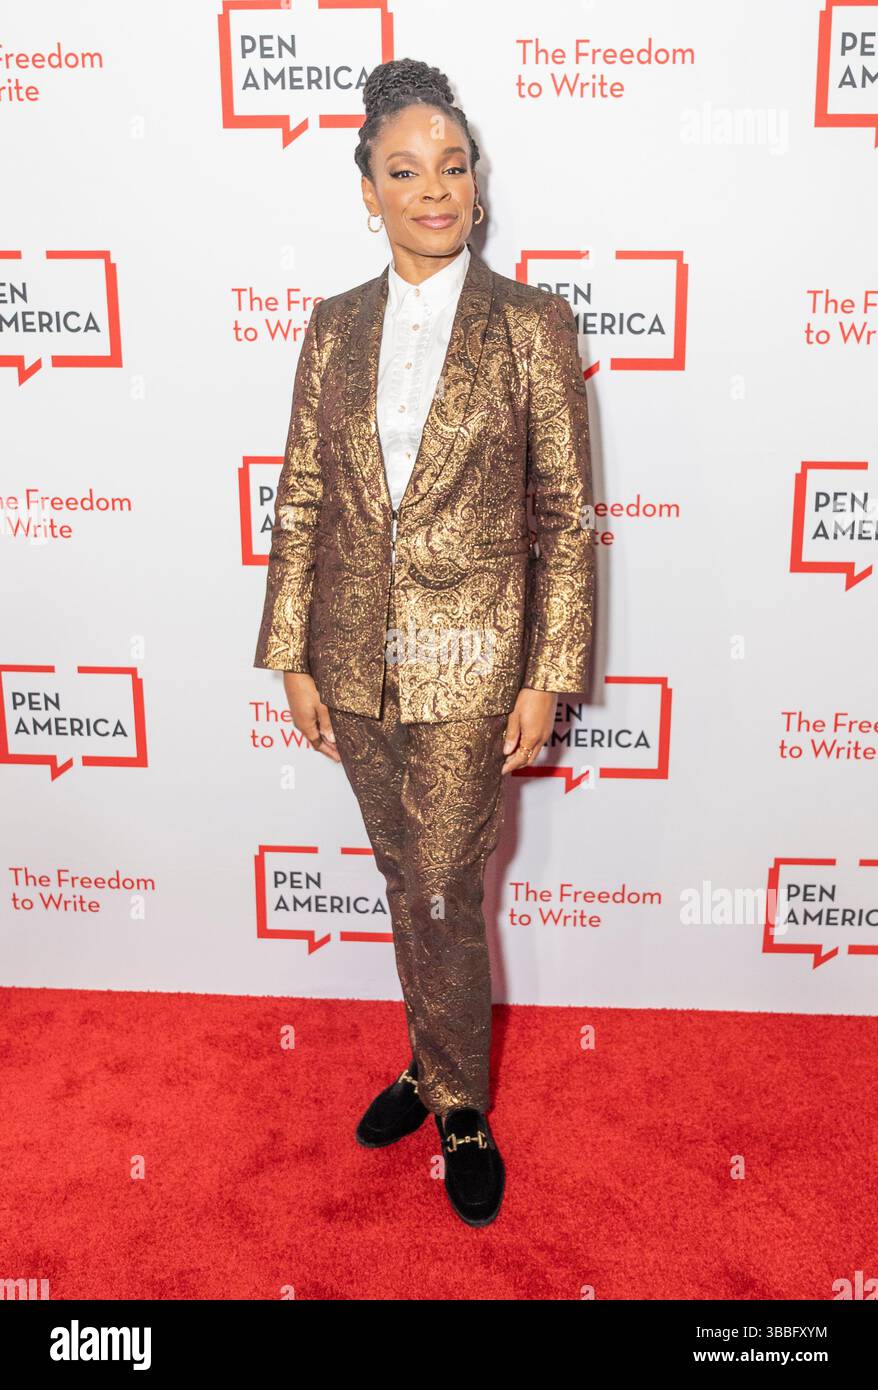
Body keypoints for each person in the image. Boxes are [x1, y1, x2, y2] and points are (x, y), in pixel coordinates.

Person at [253, 58, 595, 1227]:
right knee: (405, 877)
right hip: (351, 660)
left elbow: (559, 511)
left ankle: (456, 1103)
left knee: (446, 883)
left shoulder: (531, 326)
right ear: (368, 189)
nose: (434, 189)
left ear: (477, 186)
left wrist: (547, 674)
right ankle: (425, 1056)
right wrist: (291, 648)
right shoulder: (332, 325)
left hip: (472, 657)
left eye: (453, 166)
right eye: (405, 170)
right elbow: (301, 494)